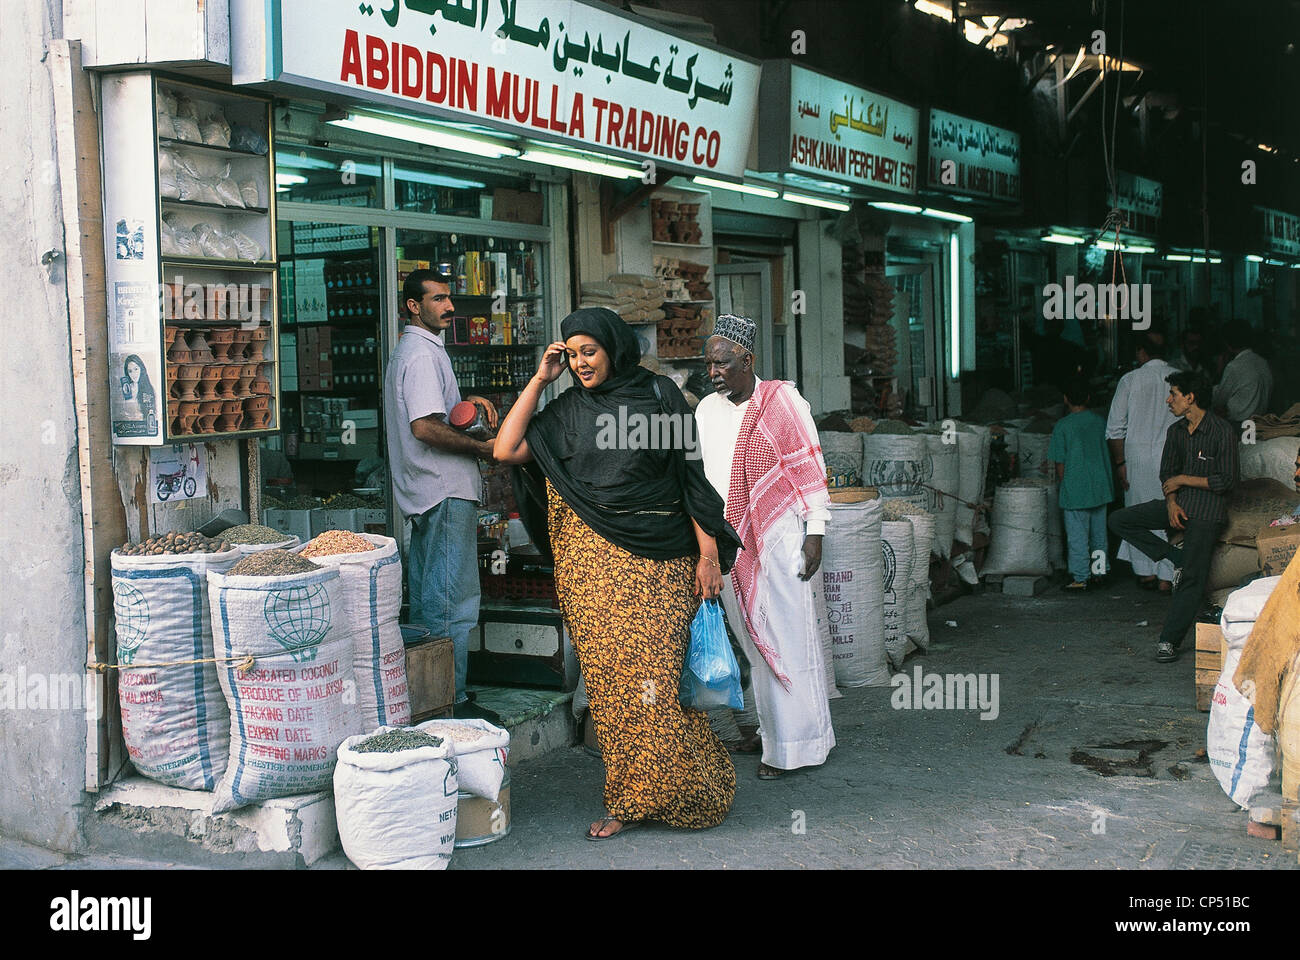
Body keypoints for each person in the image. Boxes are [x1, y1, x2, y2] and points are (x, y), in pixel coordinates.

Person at [494, 307, 740, 840]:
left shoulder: (659, 398)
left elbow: (690, 479)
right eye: (572, 352)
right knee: (611, 691)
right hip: (589, 575)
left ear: (613, 347)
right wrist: (540, 380)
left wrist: (707, 555)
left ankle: (690, 785)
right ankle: (630, 798)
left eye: (590, 351)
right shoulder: (566, 413)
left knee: (655, 685)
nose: (581, 363)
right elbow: (505, 448)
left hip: (658, 567)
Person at [695, 316, 836, 780]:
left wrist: (815, 530)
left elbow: (809, 465)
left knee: (788, 637)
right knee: (754, 641)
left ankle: (798, 747)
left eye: (723, 363)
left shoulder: (782, 401)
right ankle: (772, 736)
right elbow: (705, 480)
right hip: (733, 541)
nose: (713, 372)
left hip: (781, 537)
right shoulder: (705, 412)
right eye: (709, 363)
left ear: (747, 360)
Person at [383, 265, 497, 708]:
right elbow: (425, 429)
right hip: (442, 489)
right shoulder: (421, 354)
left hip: (430, 491)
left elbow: (437, 418)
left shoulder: (420, 351)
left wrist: (466, 410)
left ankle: (436, 696)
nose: (449, 307)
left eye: (450, 298)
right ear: (414, 306)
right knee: (452, 602)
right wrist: (481, 450)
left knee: (435, 599)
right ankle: (453, 700)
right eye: (438, 299)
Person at [1108, 371, 1238, 662]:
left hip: (1207, 512)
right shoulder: (1176, 431)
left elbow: (1227, 480)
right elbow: (1167, 473)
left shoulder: (1222, 431)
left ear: (1190, 398)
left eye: (1174, 394)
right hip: (1178, 506)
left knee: (1192, 578)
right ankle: (1174, 557)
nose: (1169, 400)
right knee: (1119, 520)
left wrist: (1184, 479)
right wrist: (1170, 502)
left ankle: (1169, 640)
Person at [1105, 333, 1179, 591]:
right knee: (1170, 514)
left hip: (1136, 458)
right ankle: (1168, 576)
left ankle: (1145, 572)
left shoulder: (1130, 380)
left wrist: (1120, 463)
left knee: (1138, 514)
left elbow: (1115, 429)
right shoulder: (1179, 377)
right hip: (1174, 457)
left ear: (1140, 352)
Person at [1049, 379, 1114, 591]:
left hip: (1076, 487)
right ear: (1088, 398)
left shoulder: (1062, 426)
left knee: (1077, 537)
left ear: (1065, 399)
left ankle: (1080, 577)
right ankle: (1099, 572)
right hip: (1100, 485)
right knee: (1099, 535)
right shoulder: (1099, 421)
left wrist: (1064, 484)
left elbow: (1060, 462)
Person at [1215, 319, 1273, 427]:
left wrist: (1219, 370)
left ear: (1227, 343)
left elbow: (1219, 400)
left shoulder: (1234, 366)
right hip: (1261, 423)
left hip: (1239, 426)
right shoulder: (1263, 362)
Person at [121, 354, 157, 433]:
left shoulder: (148, 389)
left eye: (136, 369)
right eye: (130, 371)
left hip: (143, 428)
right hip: (127, 429)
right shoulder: (126, 389)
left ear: (141, 369)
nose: (133, 374)